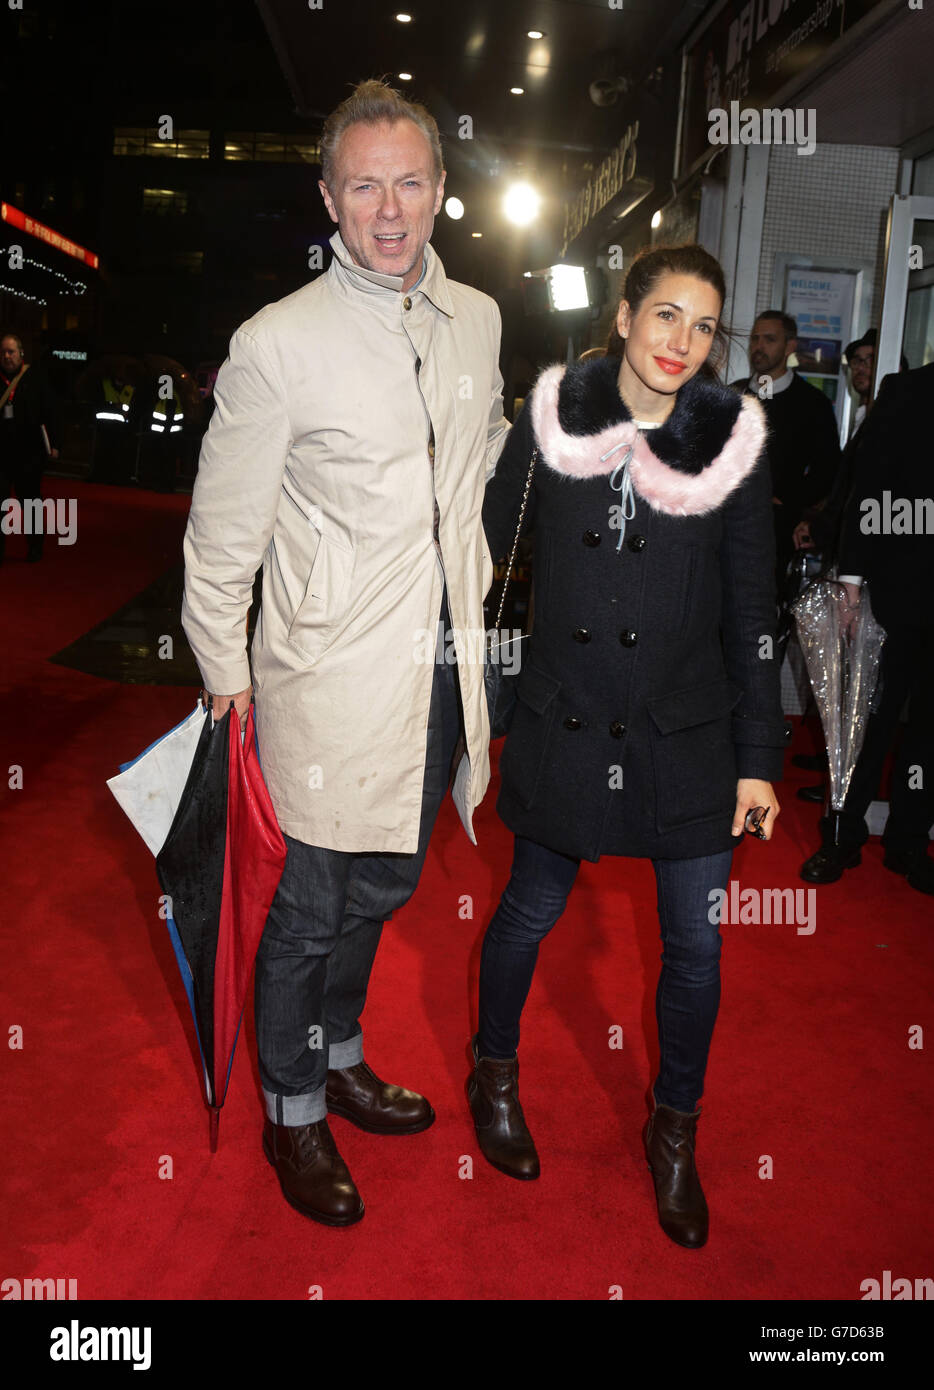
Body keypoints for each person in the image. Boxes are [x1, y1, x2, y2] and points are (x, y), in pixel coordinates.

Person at [181, 79, 508, 1226]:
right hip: (319, 684)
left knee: (388, 881)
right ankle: (292, 1108)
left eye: (408, 180)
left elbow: (478, 445)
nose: (387, 207)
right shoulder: (277, 344)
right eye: (362, 183)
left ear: (440, 191)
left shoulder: (476, 320)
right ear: (328, 195)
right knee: (309, 909)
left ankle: (341, 1051)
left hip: (437, 672)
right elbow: (219, 547)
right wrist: (232, 697)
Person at [471, 245, 787, 1249]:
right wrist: (489, 698)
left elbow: (751, 604)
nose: (680, 344)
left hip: (684, 735)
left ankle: (675, 1127)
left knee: (695, 945)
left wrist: (758, 755)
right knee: (528, 911)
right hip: (564, 715)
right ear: (622, 313)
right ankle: (494, 1071)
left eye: (702, 326)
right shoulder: (556, 412)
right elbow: (486, 546)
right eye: (664, 316)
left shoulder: (732, 435)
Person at [799, 360, 934, 896]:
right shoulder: (910, 391)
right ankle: (842, 836)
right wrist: (851, 580)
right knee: (866, 721)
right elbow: (869, 485)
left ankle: (907, 841)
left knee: (930, 731)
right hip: (896, 589)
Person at [730, 311, 841, 590]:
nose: (759, 346)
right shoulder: (733, 396)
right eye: (755, 338)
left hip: (777, 533)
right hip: (726, 525)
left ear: (790, 346)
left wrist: (788, 500)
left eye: (769, 339)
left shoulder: (812, 403)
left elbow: (828, 469)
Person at [0, 333, 60, 564]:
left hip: (29, 455)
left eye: (11, 351)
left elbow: (52, 412)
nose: (7, 356)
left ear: (21, 354)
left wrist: (55, 444)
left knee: (31, 504)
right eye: (4, 352)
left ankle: (35, 547)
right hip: (2, 456)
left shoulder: (35, 379)